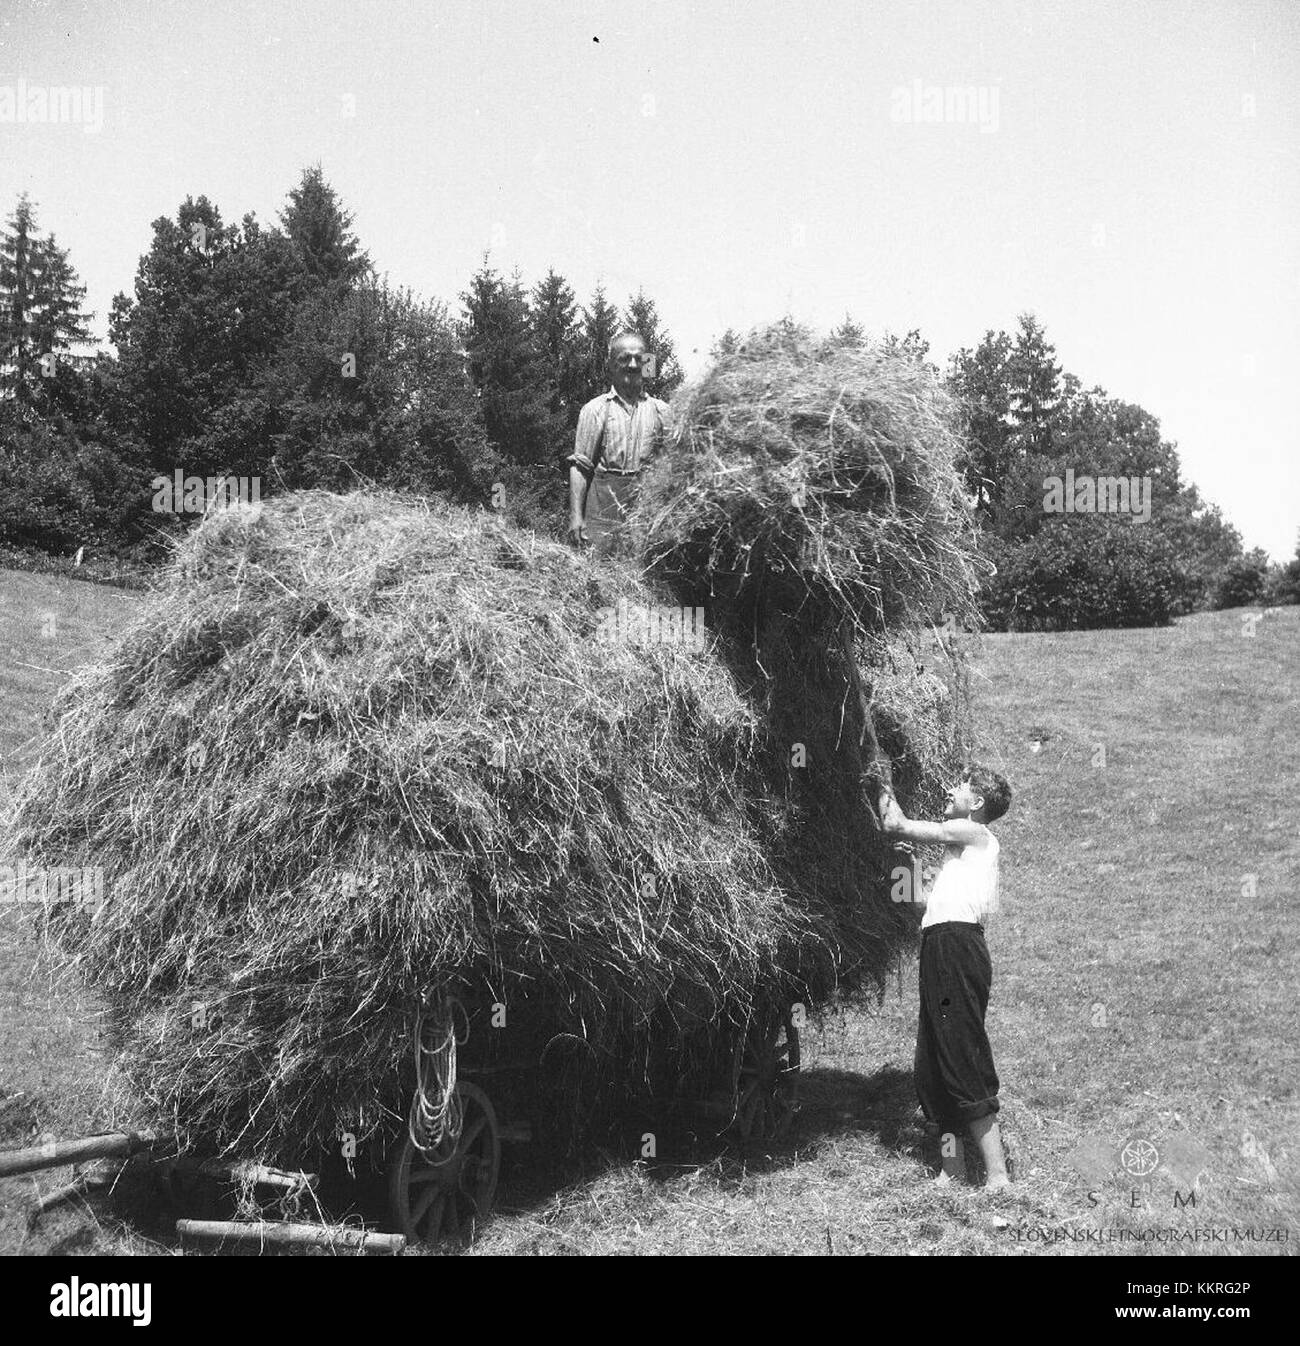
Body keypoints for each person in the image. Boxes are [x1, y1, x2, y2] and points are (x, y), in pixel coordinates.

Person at [879, 765, 1013, 1191]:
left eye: (960, 787)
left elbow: (894, 822)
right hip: (940, 944)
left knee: (961, 1053)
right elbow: (929, 903)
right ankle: (952, 1169)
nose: (950, 789)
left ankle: (998, 1177)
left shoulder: (977, 835)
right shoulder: (961, 858)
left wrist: (879, 777)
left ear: (976, 804)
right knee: (933, 1062)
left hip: (957, 947)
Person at [566, 333, 672, 553]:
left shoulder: (661, 411)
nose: (632, 365)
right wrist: (576, 518)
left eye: (638, 358)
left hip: (644, 513)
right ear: (611, 365)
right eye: (624, 359)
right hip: (602, 512)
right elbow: (580, 468)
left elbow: (670, 468)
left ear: (647, 363)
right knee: (599, 576)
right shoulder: (595, 410)